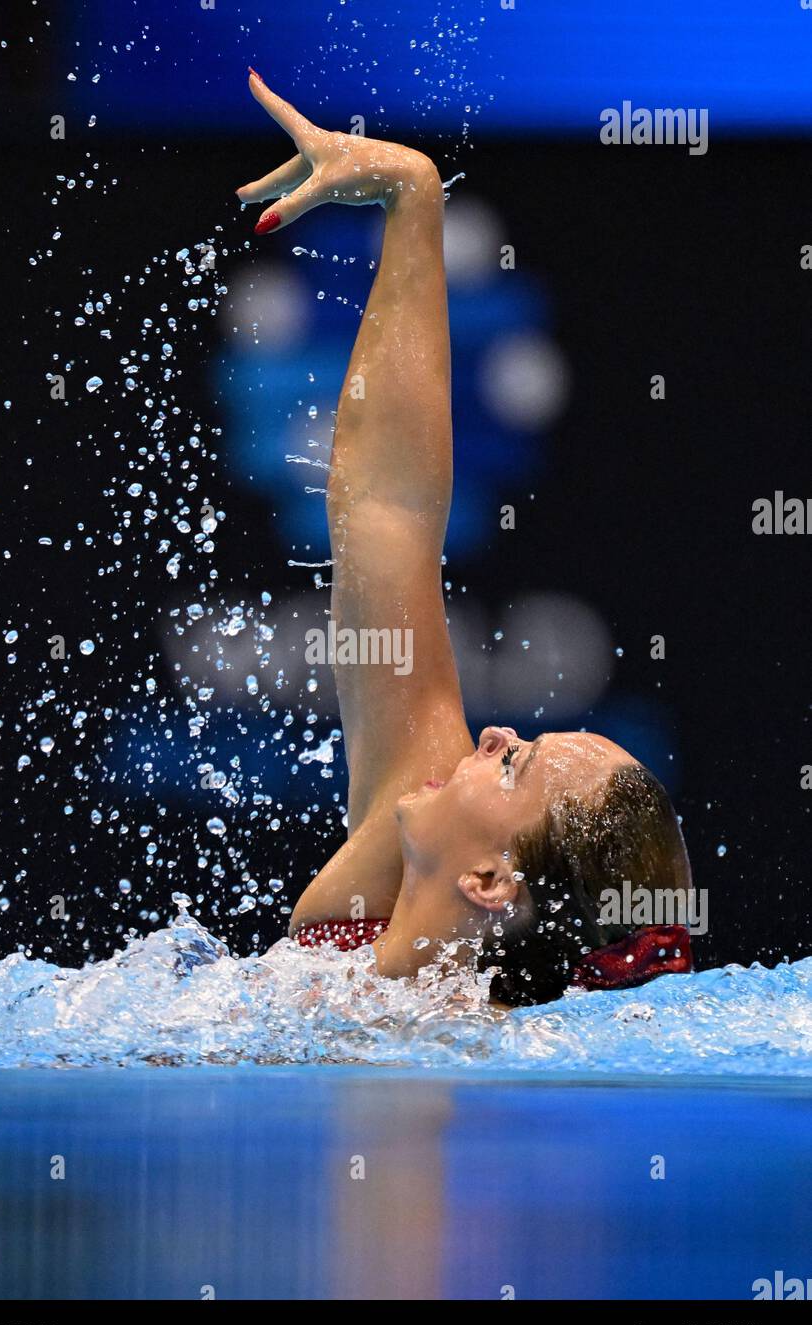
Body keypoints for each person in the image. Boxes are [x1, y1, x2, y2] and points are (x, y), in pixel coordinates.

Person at [238, 72, 693, 1006]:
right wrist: (412, 195)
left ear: (489, 881)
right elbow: (386, 502)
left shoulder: (488, 1074)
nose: (489, 732)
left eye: (513, 761)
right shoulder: (402, 839)